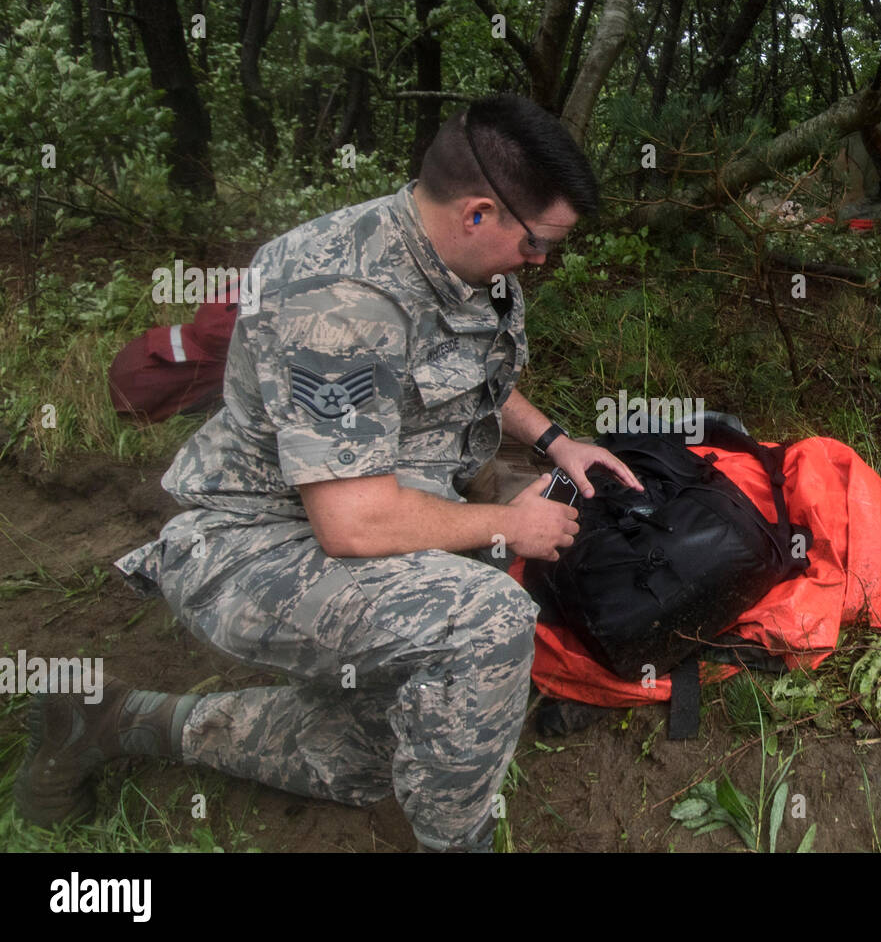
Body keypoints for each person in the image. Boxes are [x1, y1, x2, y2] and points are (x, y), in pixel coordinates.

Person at [15, 93, 643, 853]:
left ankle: (118, 721)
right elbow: (352, 525)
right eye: (539, 241)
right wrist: (509, 526)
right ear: (479, 212)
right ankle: (461, 842)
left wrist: (555, 441)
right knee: (488, 623)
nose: (541, 261)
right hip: (255, 544)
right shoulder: (341, 299)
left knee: (375, 754)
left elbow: (464, 372)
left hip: (369, 510)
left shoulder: (455, 261)